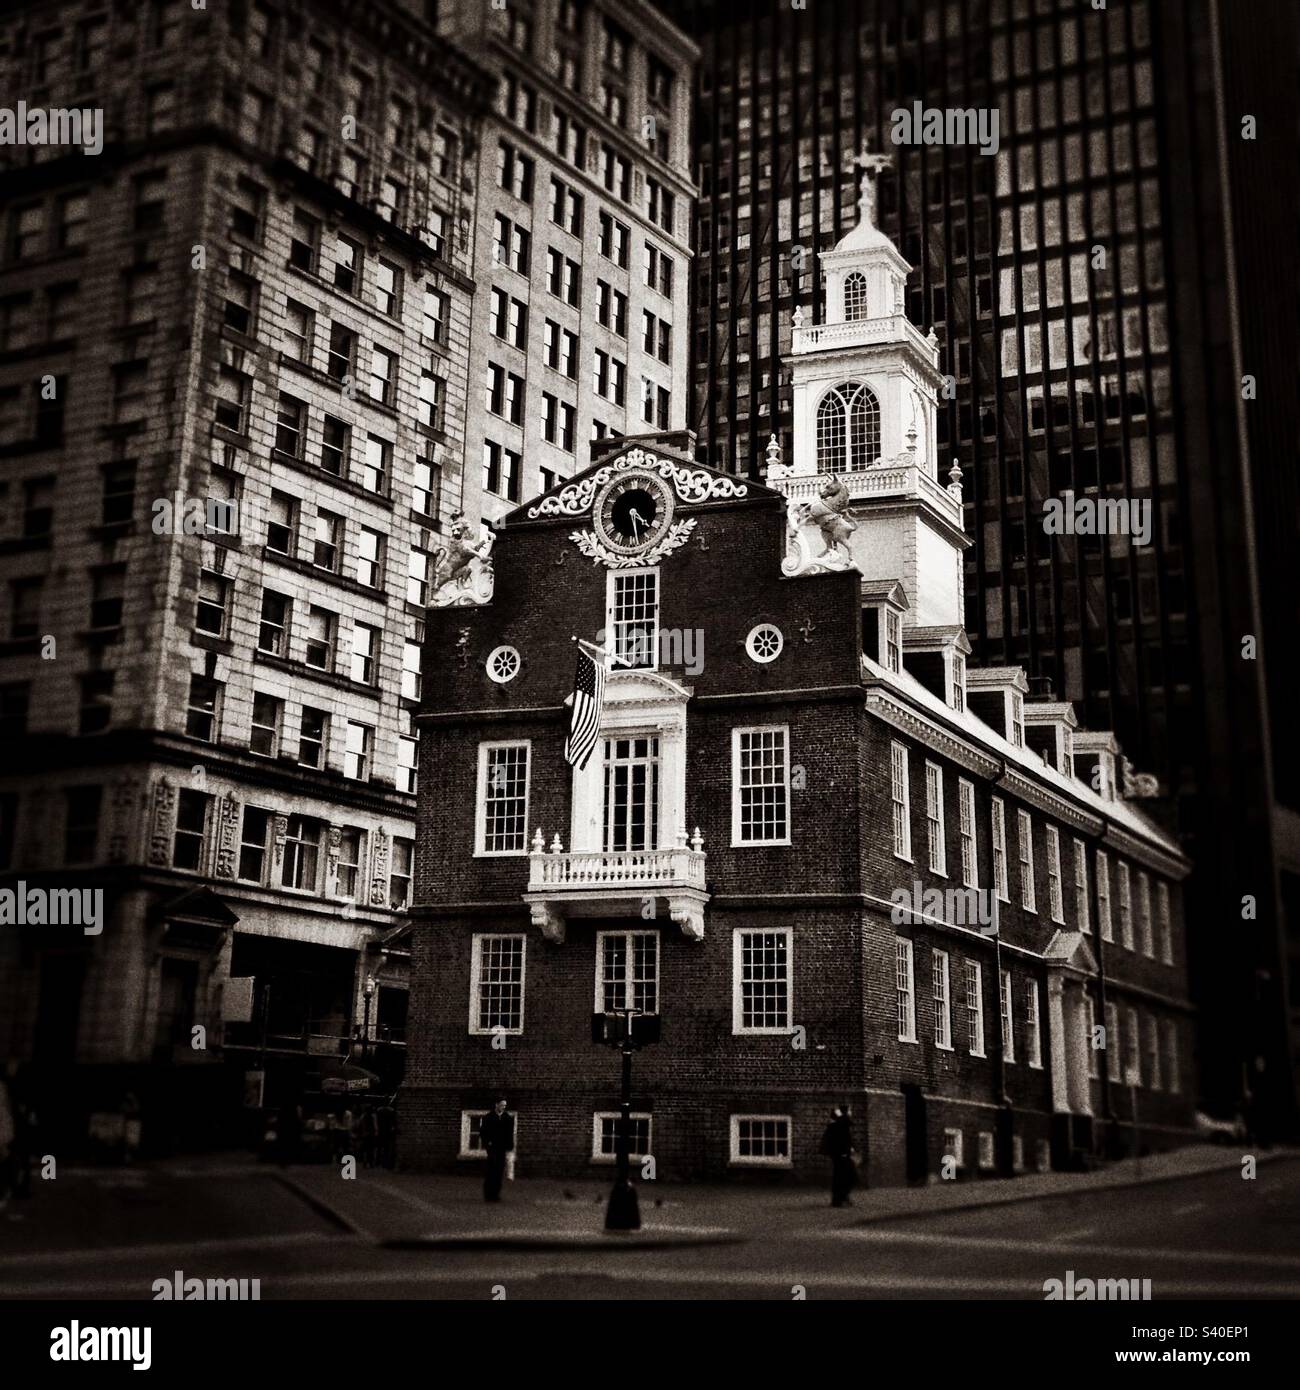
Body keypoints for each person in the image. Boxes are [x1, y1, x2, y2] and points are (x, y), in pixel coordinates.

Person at [820, 1105, 858, 1208]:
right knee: (846, 1176)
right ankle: (839, 1199)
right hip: (841, 1155)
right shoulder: (840, 1124)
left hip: (841, 1154)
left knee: (842, 1177)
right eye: (849, 1111)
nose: (851, 1113)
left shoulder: (838, 1124)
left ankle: (840, 1198)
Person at [478, 1098, 514, 1202]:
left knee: (499, 1171)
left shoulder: (507, 1118)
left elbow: (509, 1134)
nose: (503, 1107)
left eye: (505, 1105)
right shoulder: (488, 1117)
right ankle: (488, 1194)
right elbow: (483, 1132)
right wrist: (487, 1143)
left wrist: (510, 1146)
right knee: (491, 1170)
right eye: (502, 1105)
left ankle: (496, 1194)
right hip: (492, 1147)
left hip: (502, 1147)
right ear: (496, 1104)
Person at [376, 1098, 397, 1170]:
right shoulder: (391, 1110)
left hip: (381, 1130)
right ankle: (385, 1163)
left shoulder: (379, 1110)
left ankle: (378, 1162)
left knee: (380, 1147)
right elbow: (393, 1121)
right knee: (387, 1148)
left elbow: (377, 1121)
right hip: (388, 1131)